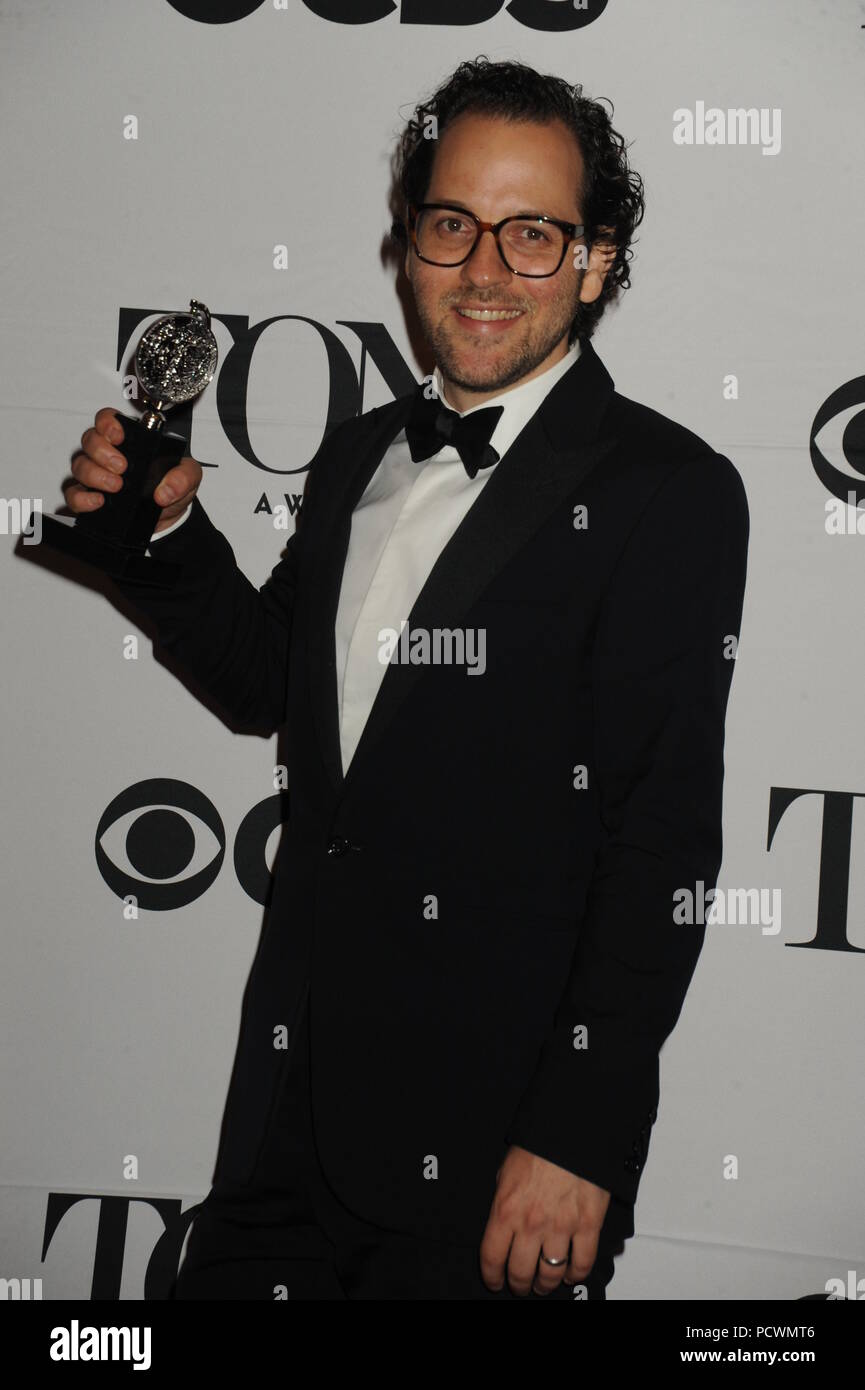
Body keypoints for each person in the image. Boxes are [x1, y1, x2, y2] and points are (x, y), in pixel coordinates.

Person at [62, 57, 749, 1300]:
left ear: (595, 260)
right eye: (452, 224)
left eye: (532, 233)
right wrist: (162, 537)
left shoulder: (668, 490)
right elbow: (273, 684)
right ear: (410, 245)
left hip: (496, 1167)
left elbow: (661, 844)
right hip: (284, 1116)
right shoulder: (356, 452)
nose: (484, 269)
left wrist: (579, 1136)